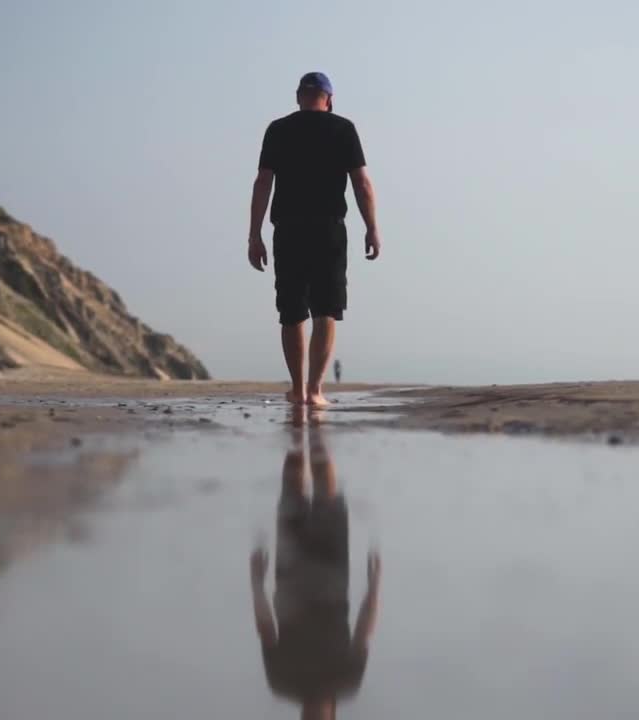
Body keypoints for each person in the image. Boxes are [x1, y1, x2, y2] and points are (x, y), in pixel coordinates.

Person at [248, 72, 381, 408]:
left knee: (291, 311)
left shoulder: (278, 130)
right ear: (329, 99)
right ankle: (315, 390)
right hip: (329, 229)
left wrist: (254, 235)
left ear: (299, 97)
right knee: (326, 309)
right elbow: (362, 183)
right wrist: (372, 227)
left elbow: (263, 182)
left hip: (288, 229)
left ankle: (297, 389)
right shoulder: (343, 129)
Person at [250, 421, 381, 719]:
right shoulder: (346, 681)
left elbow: (266, 631)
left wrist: (256, 582)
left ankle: (299, 423)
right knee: (327, 492)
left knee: (291, 488)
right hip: (333, 569)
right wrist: (374, 587)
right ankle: (318, 427)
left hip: (290, 573)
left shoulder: (282, 682)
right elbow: (363, 633)